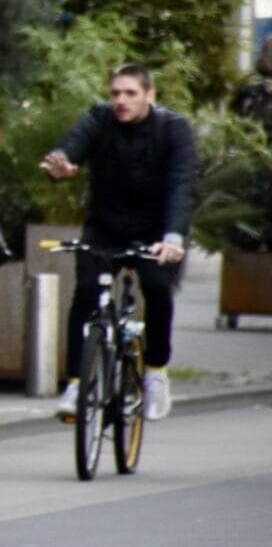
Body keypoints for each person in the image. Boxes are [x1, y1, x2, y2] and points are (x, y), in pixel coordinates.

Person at [41, 63, 196, 420]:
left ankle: (156, 373)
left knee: (157, 287)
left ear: (149, 96)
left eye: (130, 94)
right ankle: (77, 383)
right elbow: (73, 144)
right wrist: (61, 163)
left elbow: (182, 184)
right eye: (116, 93)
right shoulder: (100, 118)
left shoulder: (173, 129)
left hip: (155, 233)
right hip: (106, 228)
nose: (121, 101)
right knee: (84, 295)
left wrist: (172, 237)